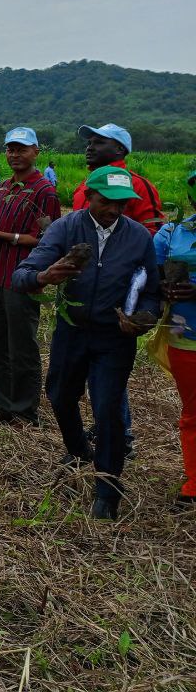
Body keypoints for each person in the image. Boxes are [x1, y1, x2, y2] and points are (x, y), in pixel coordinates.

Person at [13, 166, 161, 521]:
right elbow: (22, 275)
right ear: (89, 197)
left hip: (114, 337)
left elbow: (151, 292)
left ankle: (107, 487)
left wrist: (144, 318)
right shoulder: (66, 228)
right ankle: (79, 450)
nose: (114, 209)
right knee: (60, 395)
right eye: (106, 201)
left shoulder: (138, 237)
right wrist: (44, 276)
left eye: (122, 203)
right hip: (72, 330)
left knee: (107, 407)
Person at [73, 124, 162, 453]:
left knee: (109, 361)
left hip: (118, 289)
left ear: (121, 150)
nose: (90, 147)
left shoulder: (136, 185)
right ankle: (107, 425)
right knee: (90, 363)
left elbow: (152, 236)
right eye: (89, 141)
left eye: (99, 142)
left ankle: (119, 434)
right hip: (85, 289)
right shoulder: (87, 184)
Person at [0, 127, 62, 425]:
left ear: (36, 152)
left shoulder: (44, 192)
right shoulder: (1, 188)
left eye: (22, 149)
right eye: (10, 149)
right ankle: (3, 405)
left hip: (20, 278)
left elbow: (47, 240)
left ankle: (24, 410)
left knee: (21, 345)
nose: (15, 155)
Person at [154, 169, 196, 508]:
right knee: (193, 411)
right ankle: (194, 481)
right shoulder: (173, 232)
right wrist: (163, 287)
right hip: (186, 334)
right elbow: (149, 273)